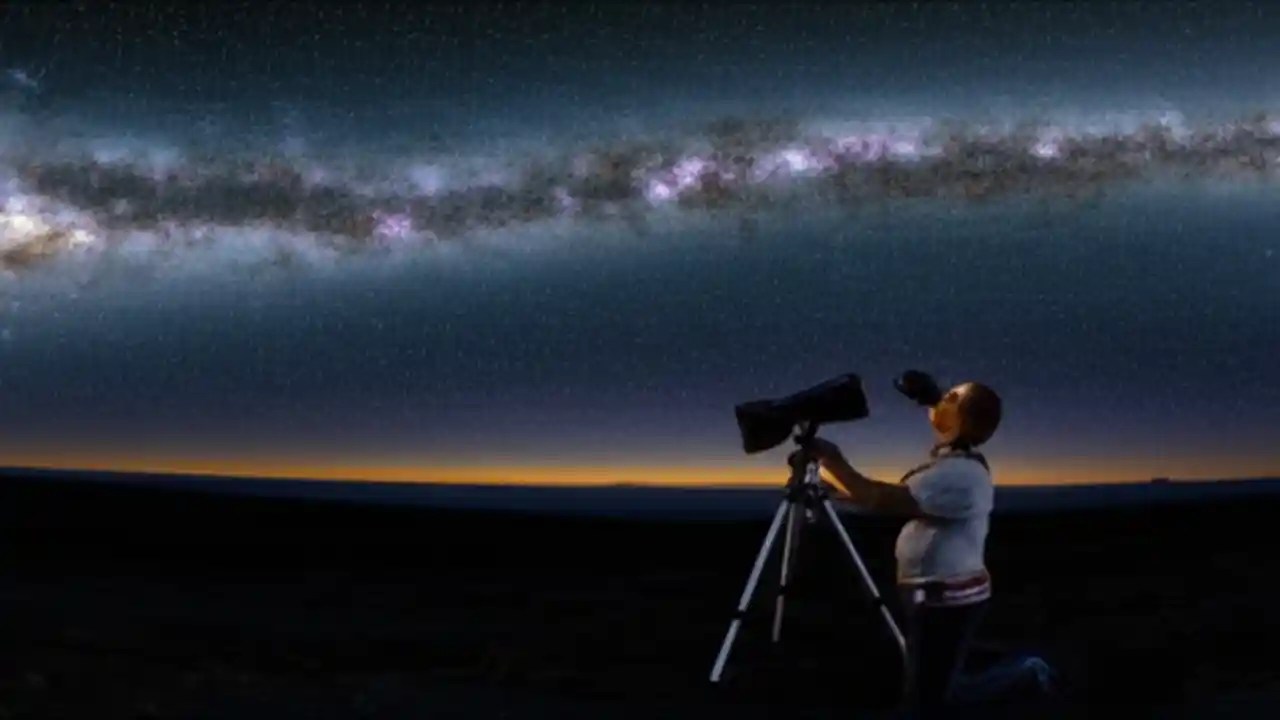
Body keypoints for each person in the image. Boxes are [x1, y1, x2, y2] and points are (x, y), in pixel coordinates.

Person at [801, 380, 1055, 716]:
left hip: (947, 599)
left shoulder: (960, 475)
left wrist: (830, 458)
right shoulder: (952, 465)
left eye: (951, 397)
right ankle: (959, 668)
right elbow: (894, 501)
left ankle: (1026, 673)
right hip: (929, 594)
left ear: (967, 418)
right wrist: (831, 494)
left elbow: (878, 498)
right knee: (930, 673)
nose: (940, 400)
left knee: (933, 699)